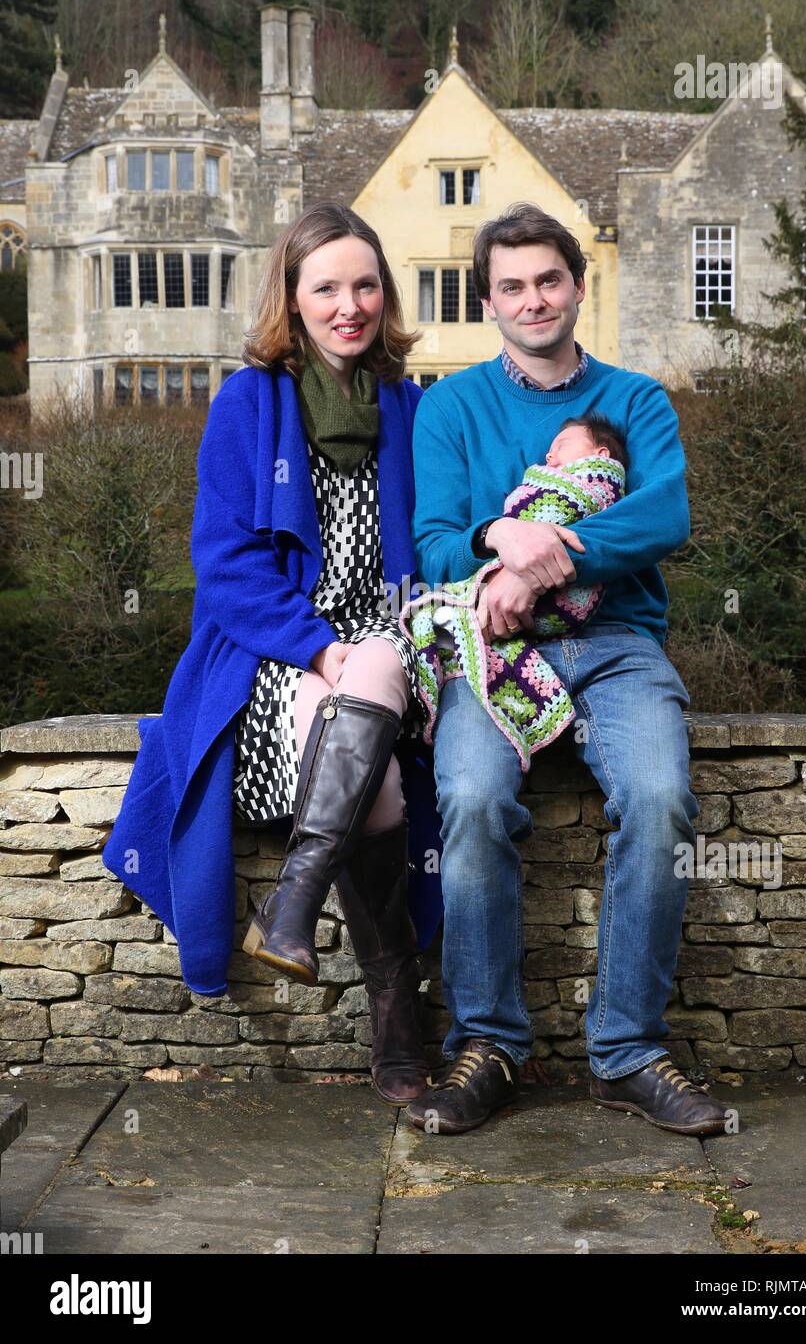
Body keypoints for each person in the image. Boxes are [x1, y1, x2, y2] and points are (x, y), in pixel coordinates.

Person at [404, 201, 735, 1138]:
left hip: (618, 646)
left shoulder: (637, 400)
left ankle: (627, 1051)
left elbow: (663, 519)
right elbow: (432, 545)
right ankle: (490, 1047)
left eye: (550, 279)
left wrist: (538, 548)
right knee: (468, 798)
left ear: (579, 287)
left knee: (662, 796)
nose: (533, 298)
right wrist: (489, 537)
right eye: (511, 285)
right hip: (495, 653)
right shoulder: (450, 406)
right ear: (487, 301)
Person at [103, 202, 440, 1107]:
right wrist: (318, 646)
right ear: (291, 299)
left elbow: (432, 550)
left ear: (385, 293)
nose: (350, 305)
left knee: (378, 664)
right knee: (385, 788)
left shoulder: (410, 404)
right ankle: (395, 1018)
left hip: (391, 648)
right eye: (326, 286)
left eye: (365, 284)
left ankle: (291, 909)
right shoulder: (249, 401)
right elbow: (224, 564)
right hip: (272, 656)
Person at [398, 413, 627, 769]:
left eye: (561, 446)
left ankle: (454, 638)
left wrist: (528, 571)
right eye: (550, 451)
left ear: (599, 455)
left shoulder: (591, 488)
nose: (550, 457)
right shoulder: (448, 406)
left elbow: (555, 515)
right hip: (517, 614)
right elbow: (435, 547)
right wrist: (499, 533)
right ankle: (450, 641)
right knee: (473, 791)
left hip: (585, 623)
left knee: (453, 618)